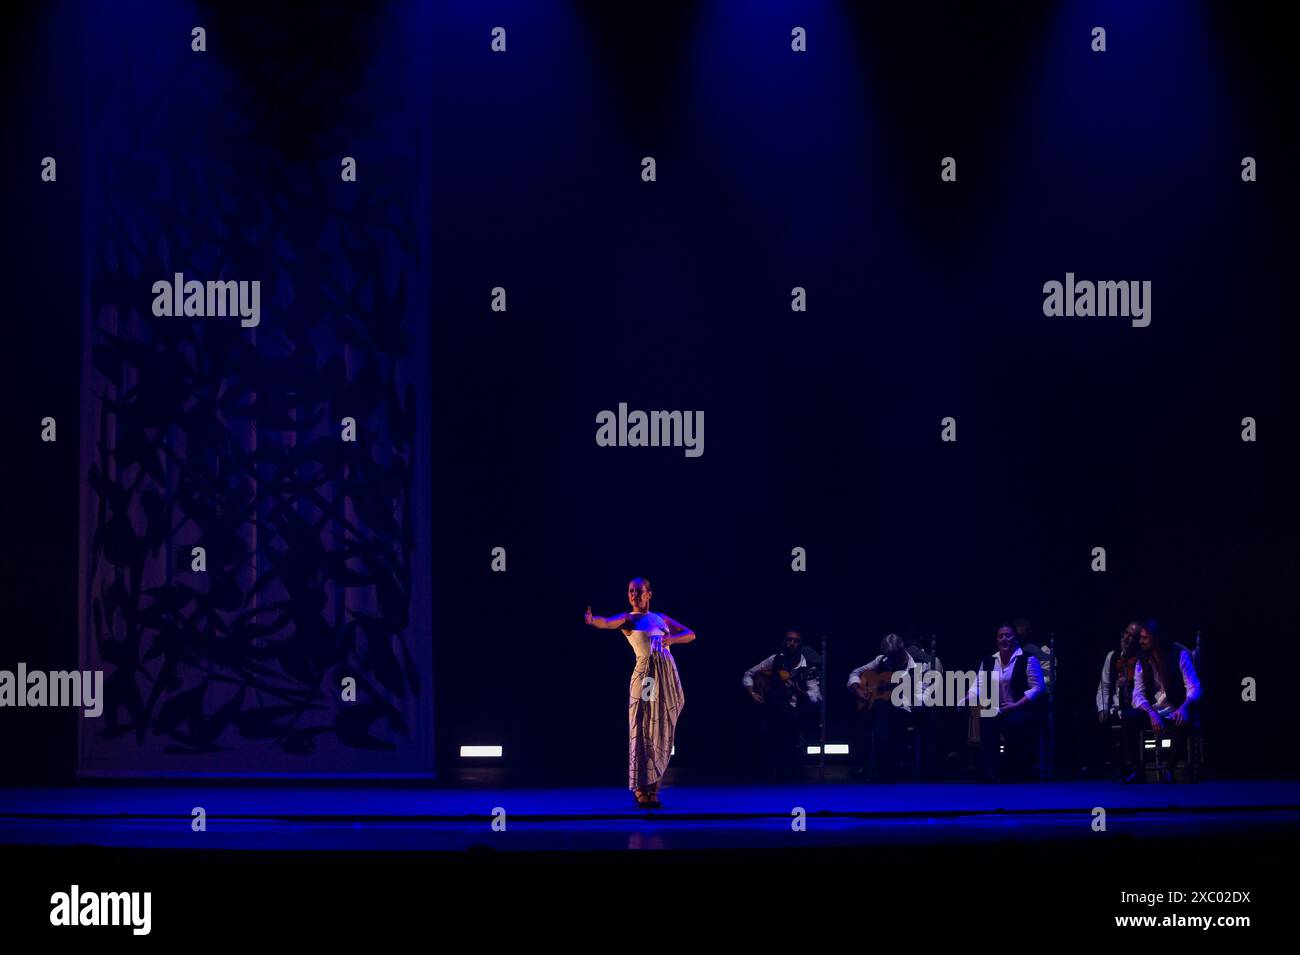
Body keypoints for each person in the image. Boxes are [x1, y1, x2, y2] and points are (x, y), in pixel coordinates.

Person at [585, 578, 695, 808]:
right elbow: (606, 622)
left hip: (665, 674)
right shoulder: (629, 619)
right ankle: (640, 786)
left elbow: (690, 634)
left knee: (661, 728)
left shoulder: (660, 618)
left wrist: (672, 639)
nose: (634, 594)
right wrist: (593, 621)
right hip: (647, 678)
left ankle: (654, 785)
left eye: (639, 591)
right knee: (645, 727)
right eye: (631, 591)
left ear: (649, 594)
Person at [966, 623, 1045, 782]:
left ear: (1015, 638)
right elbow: (979, 685)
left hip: (1020, 707)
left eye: (1008, 635)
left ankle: (1014, 771)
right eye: (1000, 636)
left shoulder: (1027, 659)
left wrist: (1015, 705)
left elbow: (1037, 687)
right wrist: (970, 695)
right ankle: (991, 773)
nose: (1004, 639)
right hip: (998, 707)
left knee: (1013, 723)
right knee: (987, 719)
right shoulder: (989, 661)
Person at [1127, 619, 1201, 784]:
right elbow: (1137, 694)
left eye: (1145, 638)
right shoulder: (1142, 658)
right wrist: (1151, 713)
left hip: (1176, 706)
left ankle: (1170, 769)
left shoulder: (1179, 654)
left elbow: (1194, 687)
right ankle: (1139, 771)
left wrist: (1184, 708)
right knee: (1129, 718)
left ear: (1156, 638)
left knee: (1183, 722)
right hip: (1153, 710)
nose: (1141, 641)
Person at [742, 630, 821, 779]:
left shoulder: (809, 668)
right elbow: (749, 673)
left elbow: (815, 697)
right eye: (788, 640)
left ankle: (784, 768)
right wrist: (752, 693)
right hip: (773, 708)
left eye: (795, 641)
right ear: (784, 642)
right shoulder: (775, 659)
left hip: (797, 709)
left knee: (788, 719)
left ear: (800, 645)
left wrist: (799, 691)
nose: (791, 643)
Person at [848, 634, 921, 781]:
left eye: (895, 656)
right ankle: (863, 764)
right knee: (872, 712)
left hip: (905, 710)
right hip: (880, 709)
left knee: (881, 711)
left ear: (902, 651)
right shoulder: (881, 660)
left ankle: (881, 769)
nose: (892, 660)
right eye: (890, 657)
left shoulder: (916, 668)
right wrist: (857, 688)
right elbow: (855, 673)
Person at [1092, 621, 1141, 778]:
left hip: (1135, 704)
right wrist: (1103, 708)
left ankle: (1132, 766)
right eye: (1126, 633)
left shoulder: (1142, 658)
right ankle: (1105, 766)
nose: (1126, 637)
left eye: (1131, 636)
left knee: (1129, 721)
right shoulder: (1112, 657)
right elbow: (1104, 686)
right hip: (1116, 705)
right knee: (1093, 720)